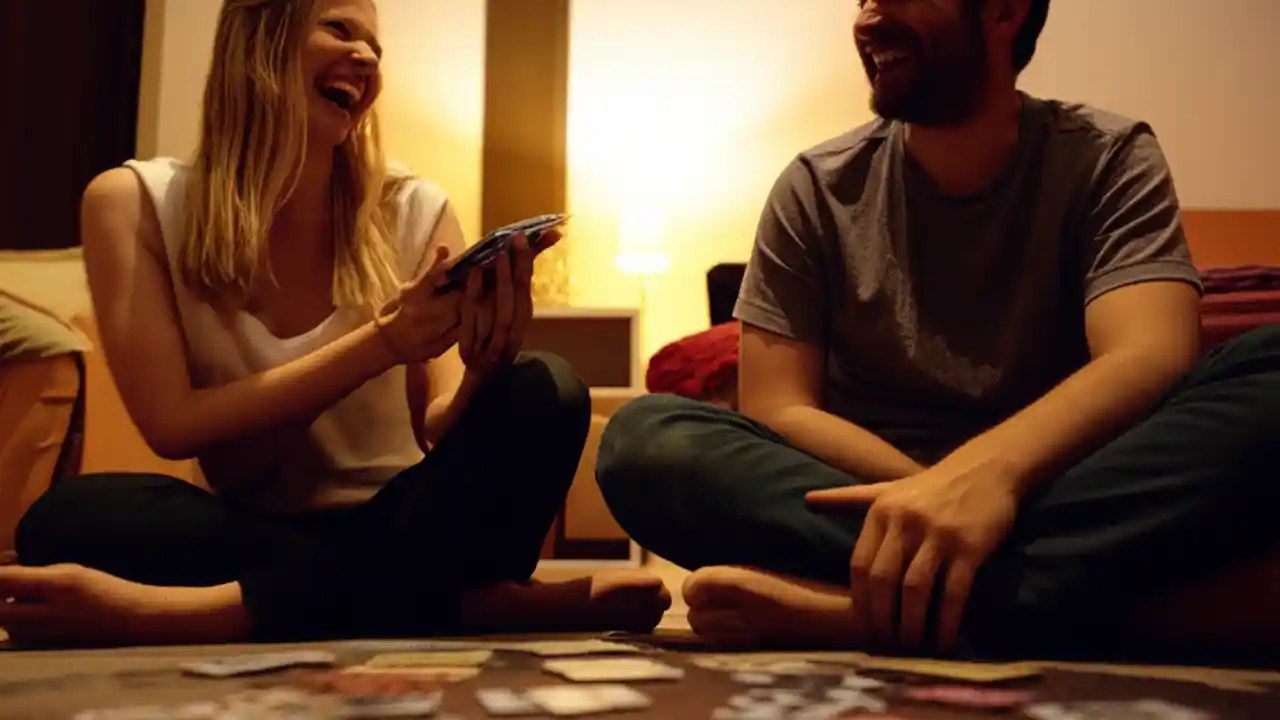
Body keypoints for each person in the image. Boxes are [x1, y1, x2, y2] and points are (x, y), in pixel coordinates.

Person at [597, 0, 1280, 660]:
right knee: (647, 441)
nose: (866, 17)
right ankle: (1110, 606)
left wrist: (995, 482)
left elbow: (1149, 355)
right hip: (874, 495)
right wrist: (938, 495)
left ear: (1005, 11)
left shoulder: (1107, 156)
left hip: (1066, 479)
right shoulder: (815, 186)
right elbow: (779, 405)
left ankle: (864, 612)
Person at [0, 0, 669, 647]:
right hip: (250, 525)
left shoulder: (414, 208)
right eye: (339, 29)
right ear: (260, 38)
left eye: (376, 47)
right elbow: (174, 427)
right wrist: (381, 344)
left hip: (407, 513)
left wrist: (480, 378)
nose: (366, 58)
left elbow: (438, 425)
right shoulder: (135, 203)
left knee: (544, 388)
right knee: (65, 521)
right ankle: (463, 603)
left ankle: (197, 614)